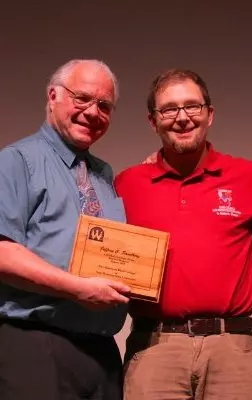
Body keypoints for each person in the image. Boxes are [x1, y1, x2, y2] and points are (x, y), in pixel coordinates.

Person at [115, 69, 252, 400]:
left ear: (209, 114)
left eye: (192, 106)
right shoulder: (127, 184)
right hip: (154, 347)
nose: (182, 118)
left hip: (231, 348)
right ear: (153, 121)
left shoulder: (248, 177)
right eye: (169, 109)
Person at [0, 59, 133, 400]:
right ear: (53, 95)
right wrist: (79, 289)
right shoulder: (16, 160)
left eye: (104, 106)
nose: (93, 112)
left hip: (100, 349)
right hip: (35, 343)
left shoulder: (103, 175)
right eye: (83, 98)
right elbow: (3, 253)